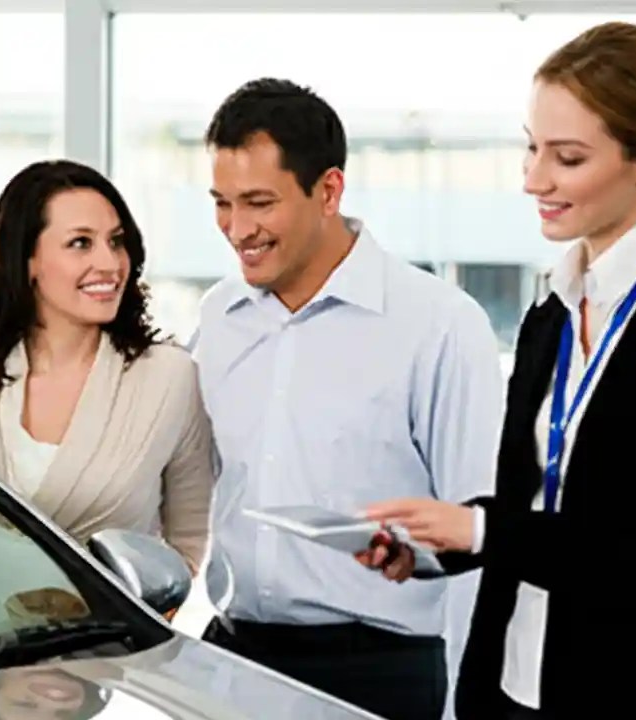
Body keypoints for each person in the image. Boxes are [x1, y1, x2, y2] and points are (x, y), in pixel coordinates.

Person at [360, 21, 636, 720]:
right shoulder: (554, 311)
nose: (534, 179)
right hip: (513, 685)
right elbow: (537, 509)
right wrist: (437, 546)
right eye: (532, 147)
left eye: (566, 158)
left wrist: (480, 532)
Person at [188, 78, 505, 720]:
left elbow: (481, 532)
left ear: (328, 190)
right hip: (236, 656)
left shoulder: (438, 323)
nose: (237, 229)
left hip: (382, 670)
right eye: (222, 202)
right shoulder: (218, 317)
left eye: (258, 202)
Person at [0, 159, 215, 609]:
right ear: (28, 262)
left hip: (113, 659)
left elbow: (187, 546)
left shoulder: (168, 378)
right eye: (81, 243)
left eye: (116, 242)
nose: (109, 263)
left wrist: (127, 648)